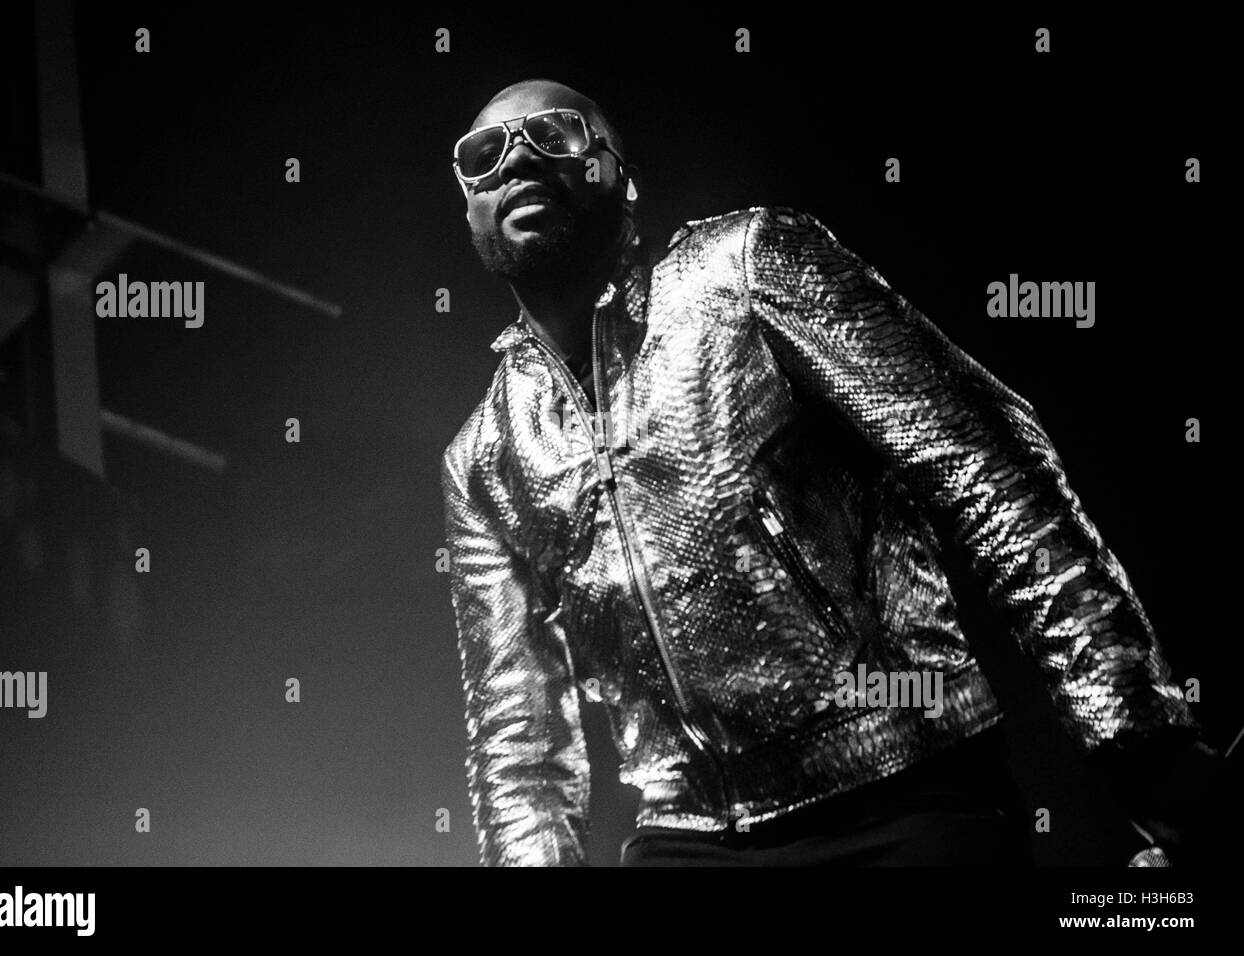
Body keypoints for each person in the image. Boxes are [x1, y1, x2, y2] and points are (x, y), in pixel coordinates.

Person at [439, 78, 1228, 866]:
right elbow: (518, 737)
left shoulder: (744, 271)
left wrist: (1142, 744)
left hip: (901, 792)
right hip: (688, 836)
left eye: (554, 134)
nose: (517, 160)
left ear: (623, 173)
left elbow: (985, 473)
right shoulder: (484, 457)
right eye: (484, 154)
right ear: (470, 206)